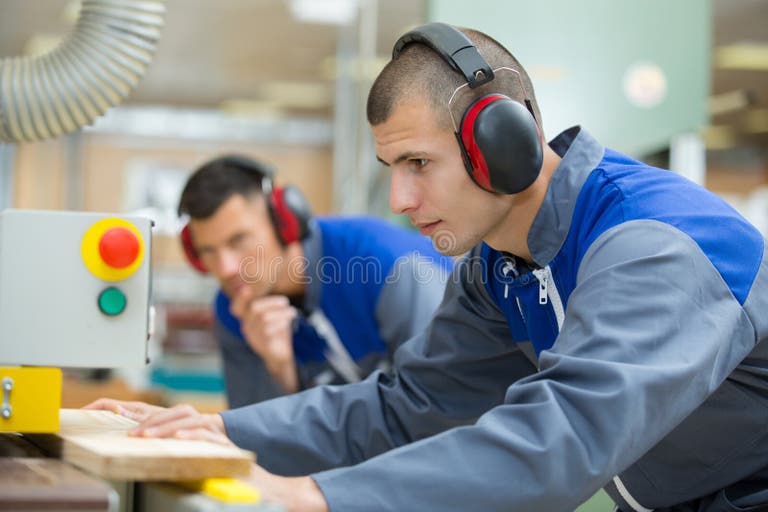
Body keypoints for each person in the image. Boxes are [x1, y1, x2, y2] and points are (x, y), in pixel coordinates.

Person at [87, 23, 768, 512]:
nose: (400, 200)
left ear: (506, 145)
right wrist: (222, 431)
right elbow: (410, 407)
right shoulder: (498, 267)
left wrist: (314, 495)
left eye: (418, 164)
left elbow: (562, 439)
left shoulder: (654, 242)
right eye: (392, 168)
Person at [176, 154, 453, 407]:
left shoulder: (383, 264)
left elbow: (440, 409)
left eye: (239, 241)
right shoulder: (233, 310)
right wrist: (280, 370)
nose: (225, 268)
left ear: (285, 223)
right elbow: (258, 443)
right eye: (208, 252)